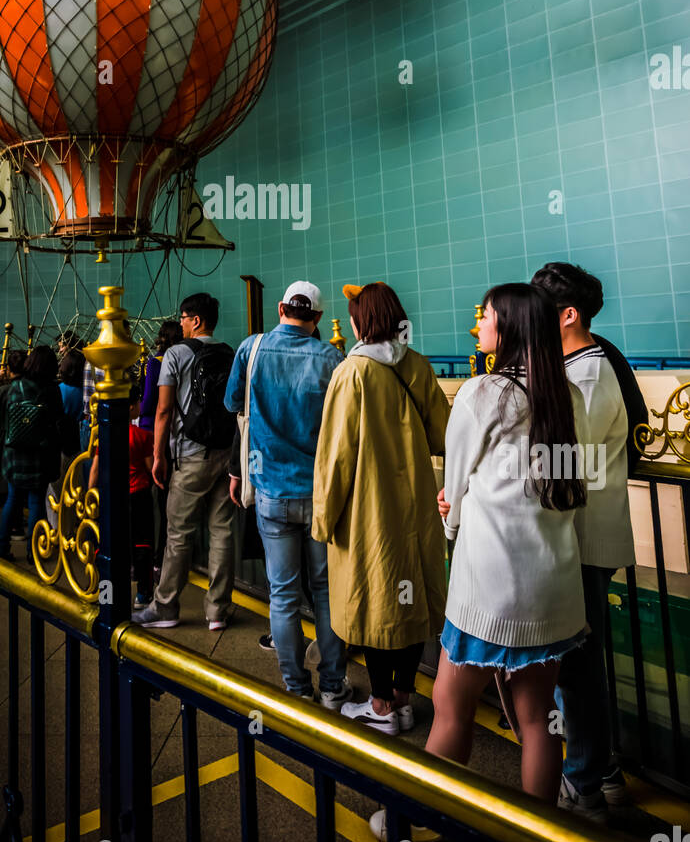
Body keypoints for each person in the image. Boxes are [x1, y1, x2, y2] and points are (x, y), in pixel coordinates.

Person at [427, 283, 589, 805]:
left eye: (488, 316)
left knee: (451, 704)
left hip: (488, 592)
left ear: (511, 328)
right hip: (554, 590)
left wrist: (452, 524)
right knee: (539, 719)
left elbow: (456, 479)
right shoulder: (570, 396)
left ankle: (424, 820)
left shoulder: (484, 393)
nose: (480, 326)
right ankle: (540, 833)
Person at [312, 282, 450, 733]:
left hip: (369, 514)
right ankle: (406, 699)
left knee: (376, 606)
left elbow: (335, 457)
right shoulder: (418, 366)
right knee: (408, 602)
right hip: (415, 513)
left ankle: (381, 705)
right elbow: (443, 437)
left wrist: (323, 519)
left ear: (359, 322)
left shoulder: (352, 373)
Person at [531, 262, 638, 818]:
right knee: (580, 659)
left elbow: (568, 463)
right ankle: (604, 769)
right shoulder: (579, 366)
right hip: (582, 536)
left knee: (576, 665)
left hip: (585, 541)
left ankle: (585, 781)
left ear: (568, 316)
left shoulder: (588, 376)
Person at [224, 282, 349, 705]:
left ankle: (298, 691)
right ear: (316, 319)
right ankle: (333, 687)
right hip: (319, 495)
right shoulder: (333, 358)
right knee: (327, 592)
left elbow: (232, 405)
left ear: (280, 308)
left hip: (271, 491)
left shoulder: (252, 349)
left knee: (284, 595)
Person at [131, 293, 237, 630]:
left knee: (178, 534)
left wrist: (159, 455)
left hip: (189, 456)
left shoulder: (175, 354)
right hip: (225, 453)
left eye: (183, 317)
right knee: (222, 532)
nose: (180, 323)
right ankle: (217, 611)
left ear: (196, 320)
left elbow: (162, 410)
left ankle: (165, 608)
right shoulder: (230, 353)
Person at [89, 384, 155, 607]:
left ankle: (106, 595)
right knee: (142, 544)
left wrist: (90, 494)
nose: (140, 406)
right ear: (130, 407)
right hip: (139, 496)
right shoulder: (142, 436)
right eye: (138, 402)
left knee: (110, 545)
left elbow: (96, 468)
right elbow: (149, 467)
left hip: (111, 497)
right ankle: (143, 594)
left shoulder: (107, 436)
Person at [0, 345, 65, 561]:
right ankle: (33, 552)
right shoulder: (51, 389)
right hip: (40, 454)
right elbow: (58, 420)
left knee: (12, 498)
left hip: (14, 452)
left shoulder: (14, 386)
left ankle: (2, 548)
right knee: (37, 502)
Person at [138, 320, 183, 583]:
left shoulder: (155, 362)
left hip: (153, 433)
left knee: (154, 501)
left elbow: (148, 404)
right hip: (179, 436)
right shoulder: (184, 358)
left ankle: (155, 559)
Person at [0, 348, 27, 523]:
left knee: (9, 486)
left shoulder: (4, 391)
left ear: (9, 368)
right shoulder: (32, 388)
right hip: (28, 442)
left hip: (5, 439)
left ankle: (11, 530)